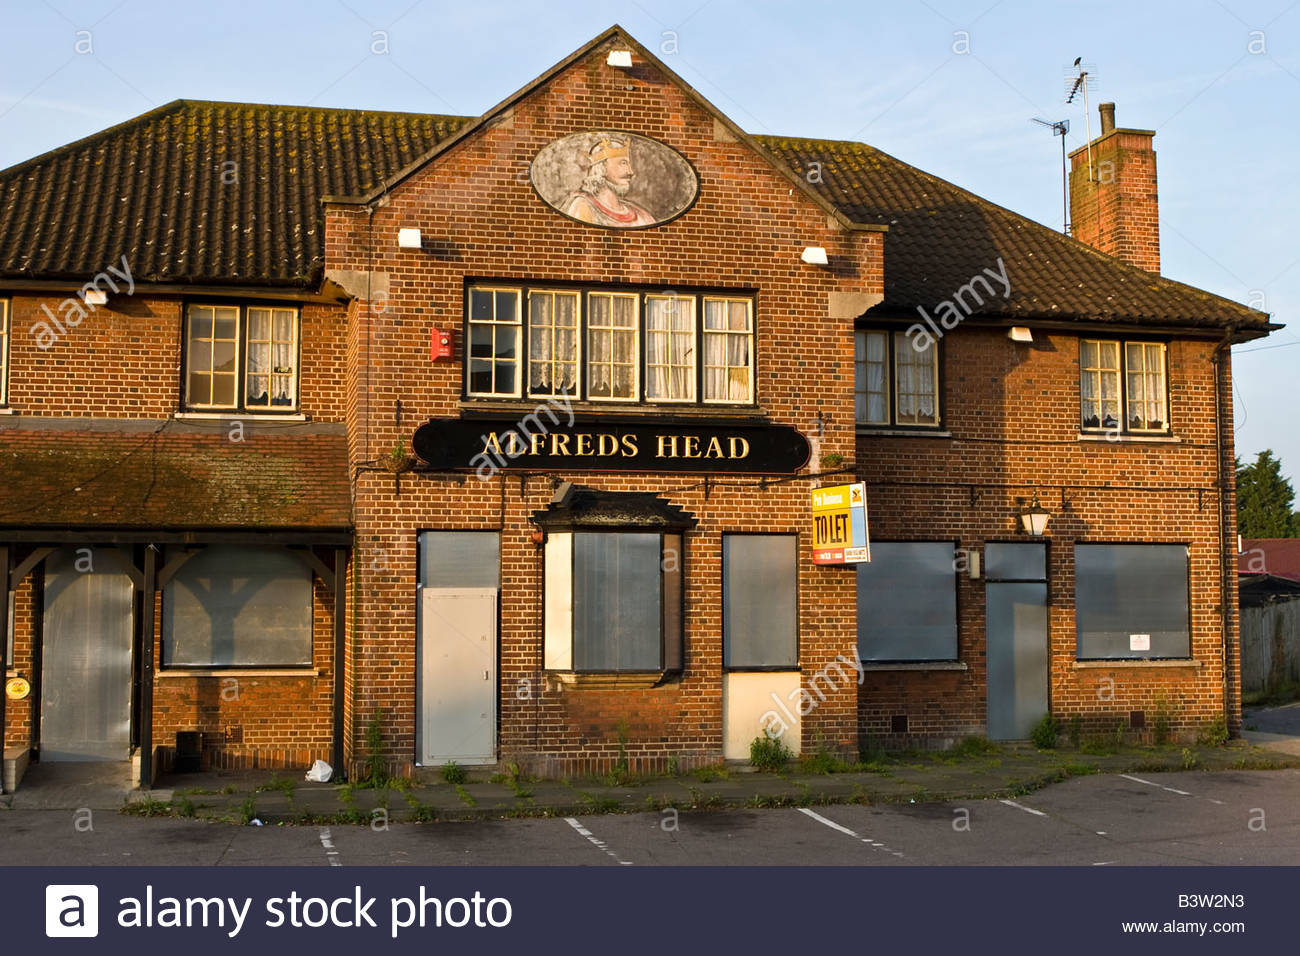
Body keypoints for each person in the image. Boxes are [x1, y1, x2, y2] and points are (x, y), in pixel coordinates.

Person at [563, 135, 657, 227]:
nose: (630, 172)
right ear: (602, 168)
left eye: (628, 164)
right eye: (623, 163)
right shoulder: (583, 207)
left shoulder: (641, 215)